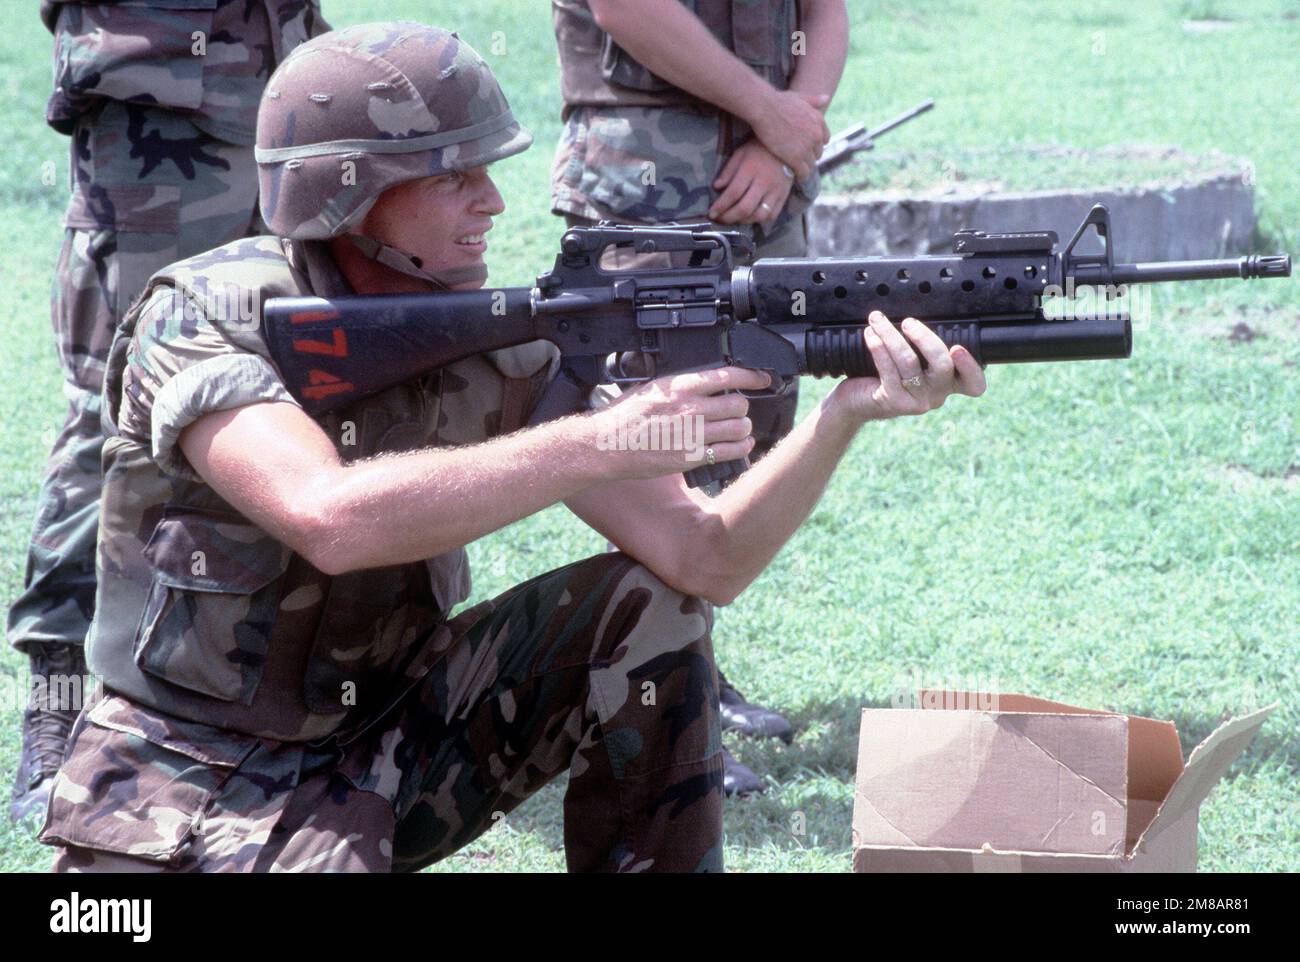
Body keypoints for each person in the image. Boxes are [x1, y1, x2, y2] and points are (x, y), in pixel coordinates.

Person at [39, 21, 985, 873]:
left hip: (388, 749)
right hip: (183, 780)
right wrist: (594, 442)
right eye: (456, 174)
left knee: (647, 605)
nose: (493, 202)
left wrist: (842, 419)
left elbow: (707, 556)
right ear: (347, 192)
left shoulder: (506, 341)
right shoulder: (207, 314)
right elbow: (325, 517)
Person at [9, 0, 328, 823]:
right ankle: (55, 702)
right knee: (113, 418)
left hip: (292, 99)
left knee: (297, 388)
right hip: (155, 107)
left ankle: (255, 693)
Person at [551, 0, 849, 794]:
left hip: (765, 189)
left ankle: (694, 675)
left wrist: (786, 142)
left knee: (744, 426)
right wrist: (770, 114)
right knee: (656, 441)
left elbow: (824, 11)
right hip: (648, 185)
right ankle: (649, 706)